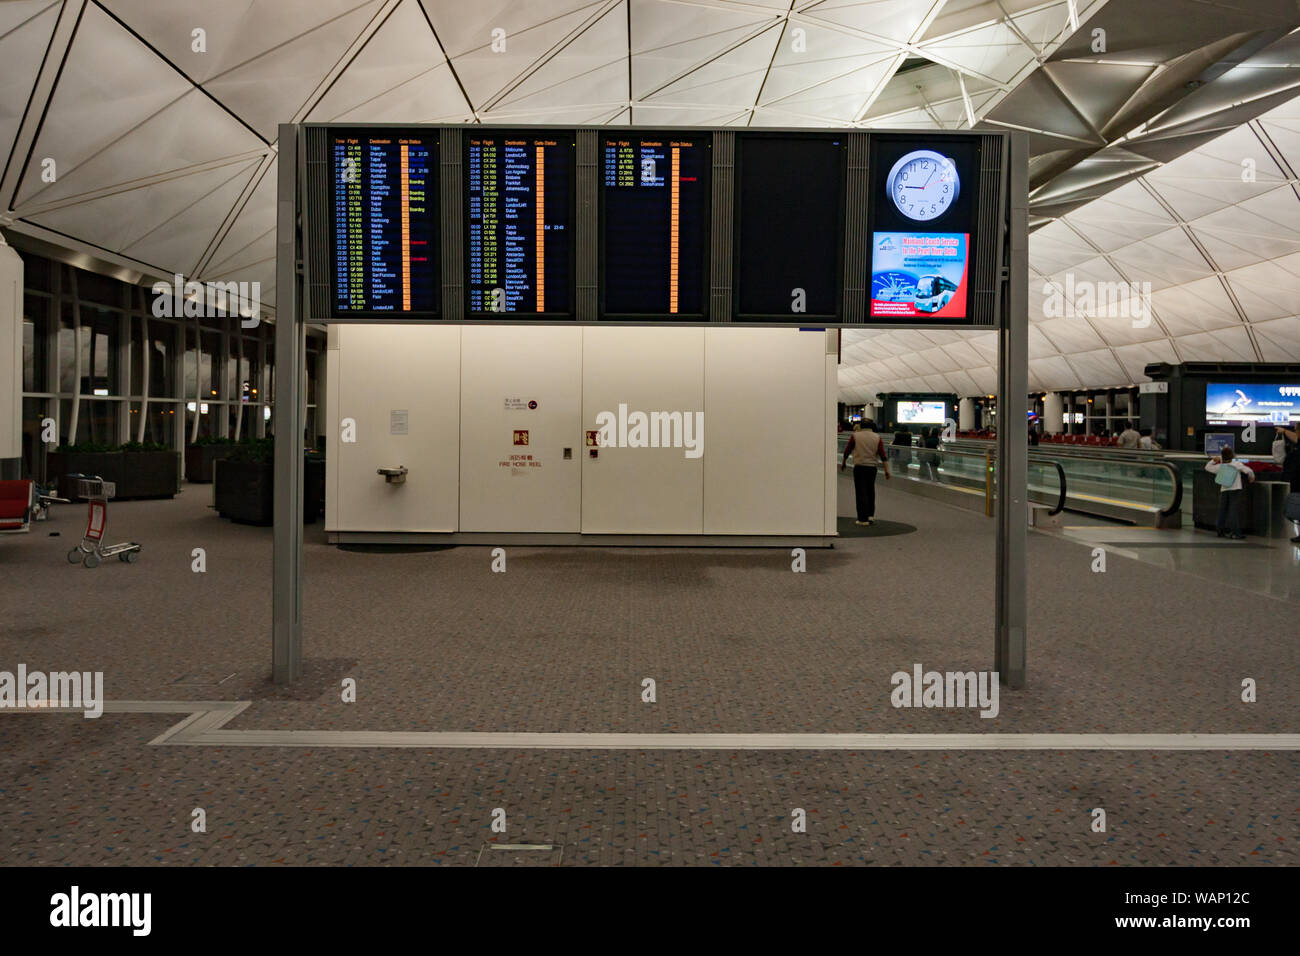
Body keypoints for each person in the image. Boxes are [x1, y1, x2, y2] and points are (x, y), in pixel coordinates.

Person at [841, 420, 890, 525]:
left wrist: (844, 462)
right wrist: (886, 470)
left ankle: (862, 519)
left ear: (861, 426)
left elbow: (847, 450)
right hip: (872, 468)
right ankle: (870, 515)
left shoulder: (855, 436)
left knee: (860, 492)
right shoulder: (877, 437)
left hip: (859, 467)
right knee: (870, 490)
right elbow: (882, 454)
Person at [1205, 446, 1254, 540]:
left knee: (1222, 510)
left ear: (1222, 456)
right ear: (1232, 455)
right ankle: (1236, 533)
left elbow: (1207, 467)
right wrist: (1251, 477)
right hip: (1236, 489)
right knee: (1233, 511)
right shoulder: (1236, 464)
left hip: (1224, 489)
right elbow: (1248, 471)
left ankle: (1220, 531)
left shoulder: (1220, 466)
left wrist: (1213, 460)